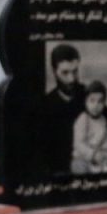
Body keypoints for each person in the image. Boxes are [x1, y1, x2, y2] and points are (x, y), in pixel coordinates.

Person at [37, 43, 86, 174]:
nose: (71, 79)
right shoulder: (45, 104)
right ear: (54, 71)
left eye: (75, 71)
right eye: (65, 72)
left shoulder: (88, 95)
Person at [71, 80, 107, 174]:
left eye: (100, 101)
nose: (96, 105)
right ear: (85, 102)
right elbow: (78, 144)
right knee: (79, 167)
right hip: (83, 156)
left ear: (104, 103)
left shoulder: (103, 119)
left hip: (100, 154)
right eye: (92, 100)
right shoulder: (83, 119)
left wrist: (106, 153)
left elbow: (105, 140)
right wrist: (93, 155)